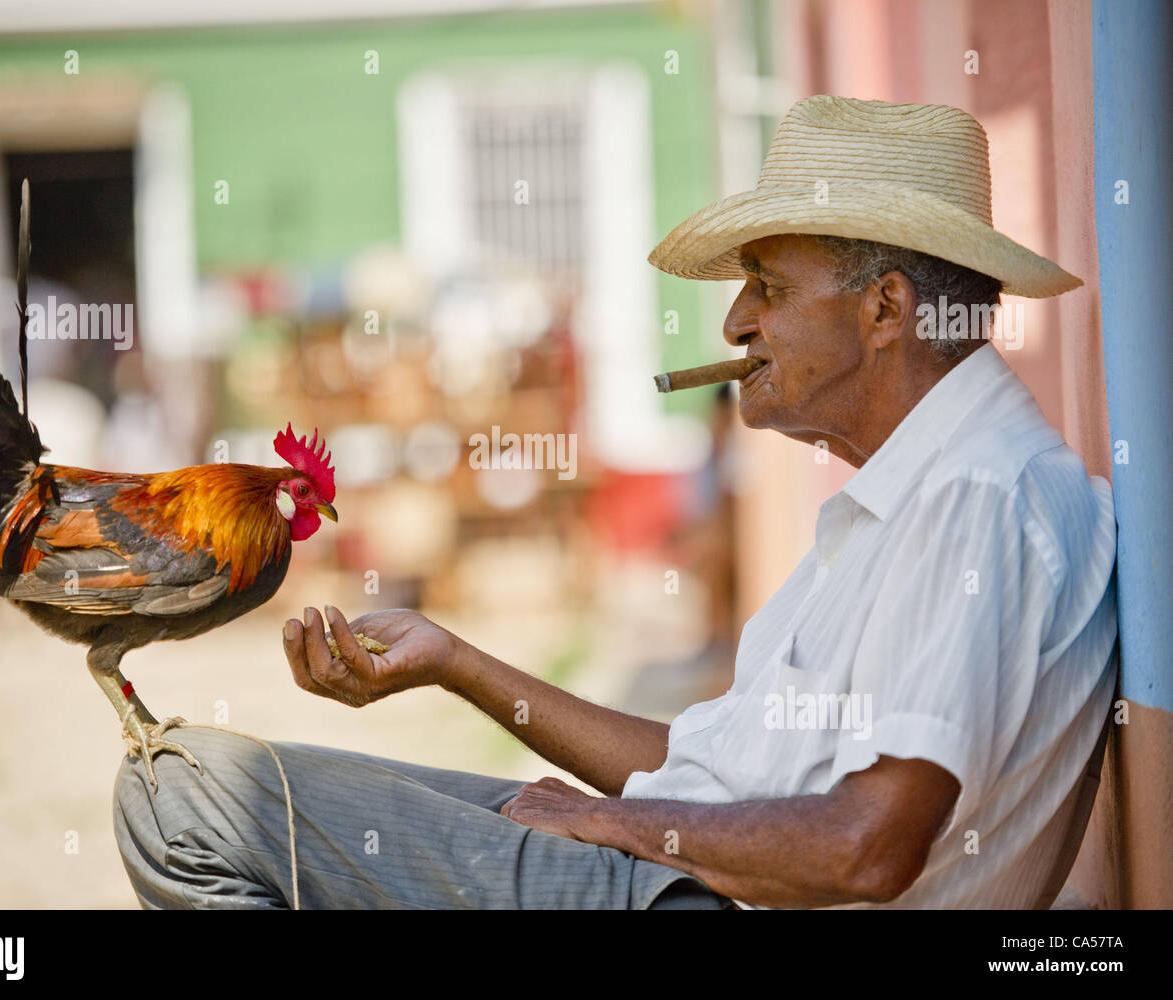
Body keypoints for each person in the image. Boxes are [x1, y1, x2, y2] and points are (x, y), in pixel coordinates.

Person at [113, 95, 1117, 909]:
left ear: (888, 307)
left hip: (698, 892)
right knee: (209, 789)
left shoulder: (975, 498)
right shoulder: (926, 490)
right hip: (685, 871)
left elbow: (866, 848)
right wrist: (454, 662)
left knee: (184, 798)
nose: (735, 320)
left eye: (767, 285)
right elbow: (698, 766)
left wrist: (631, 828)